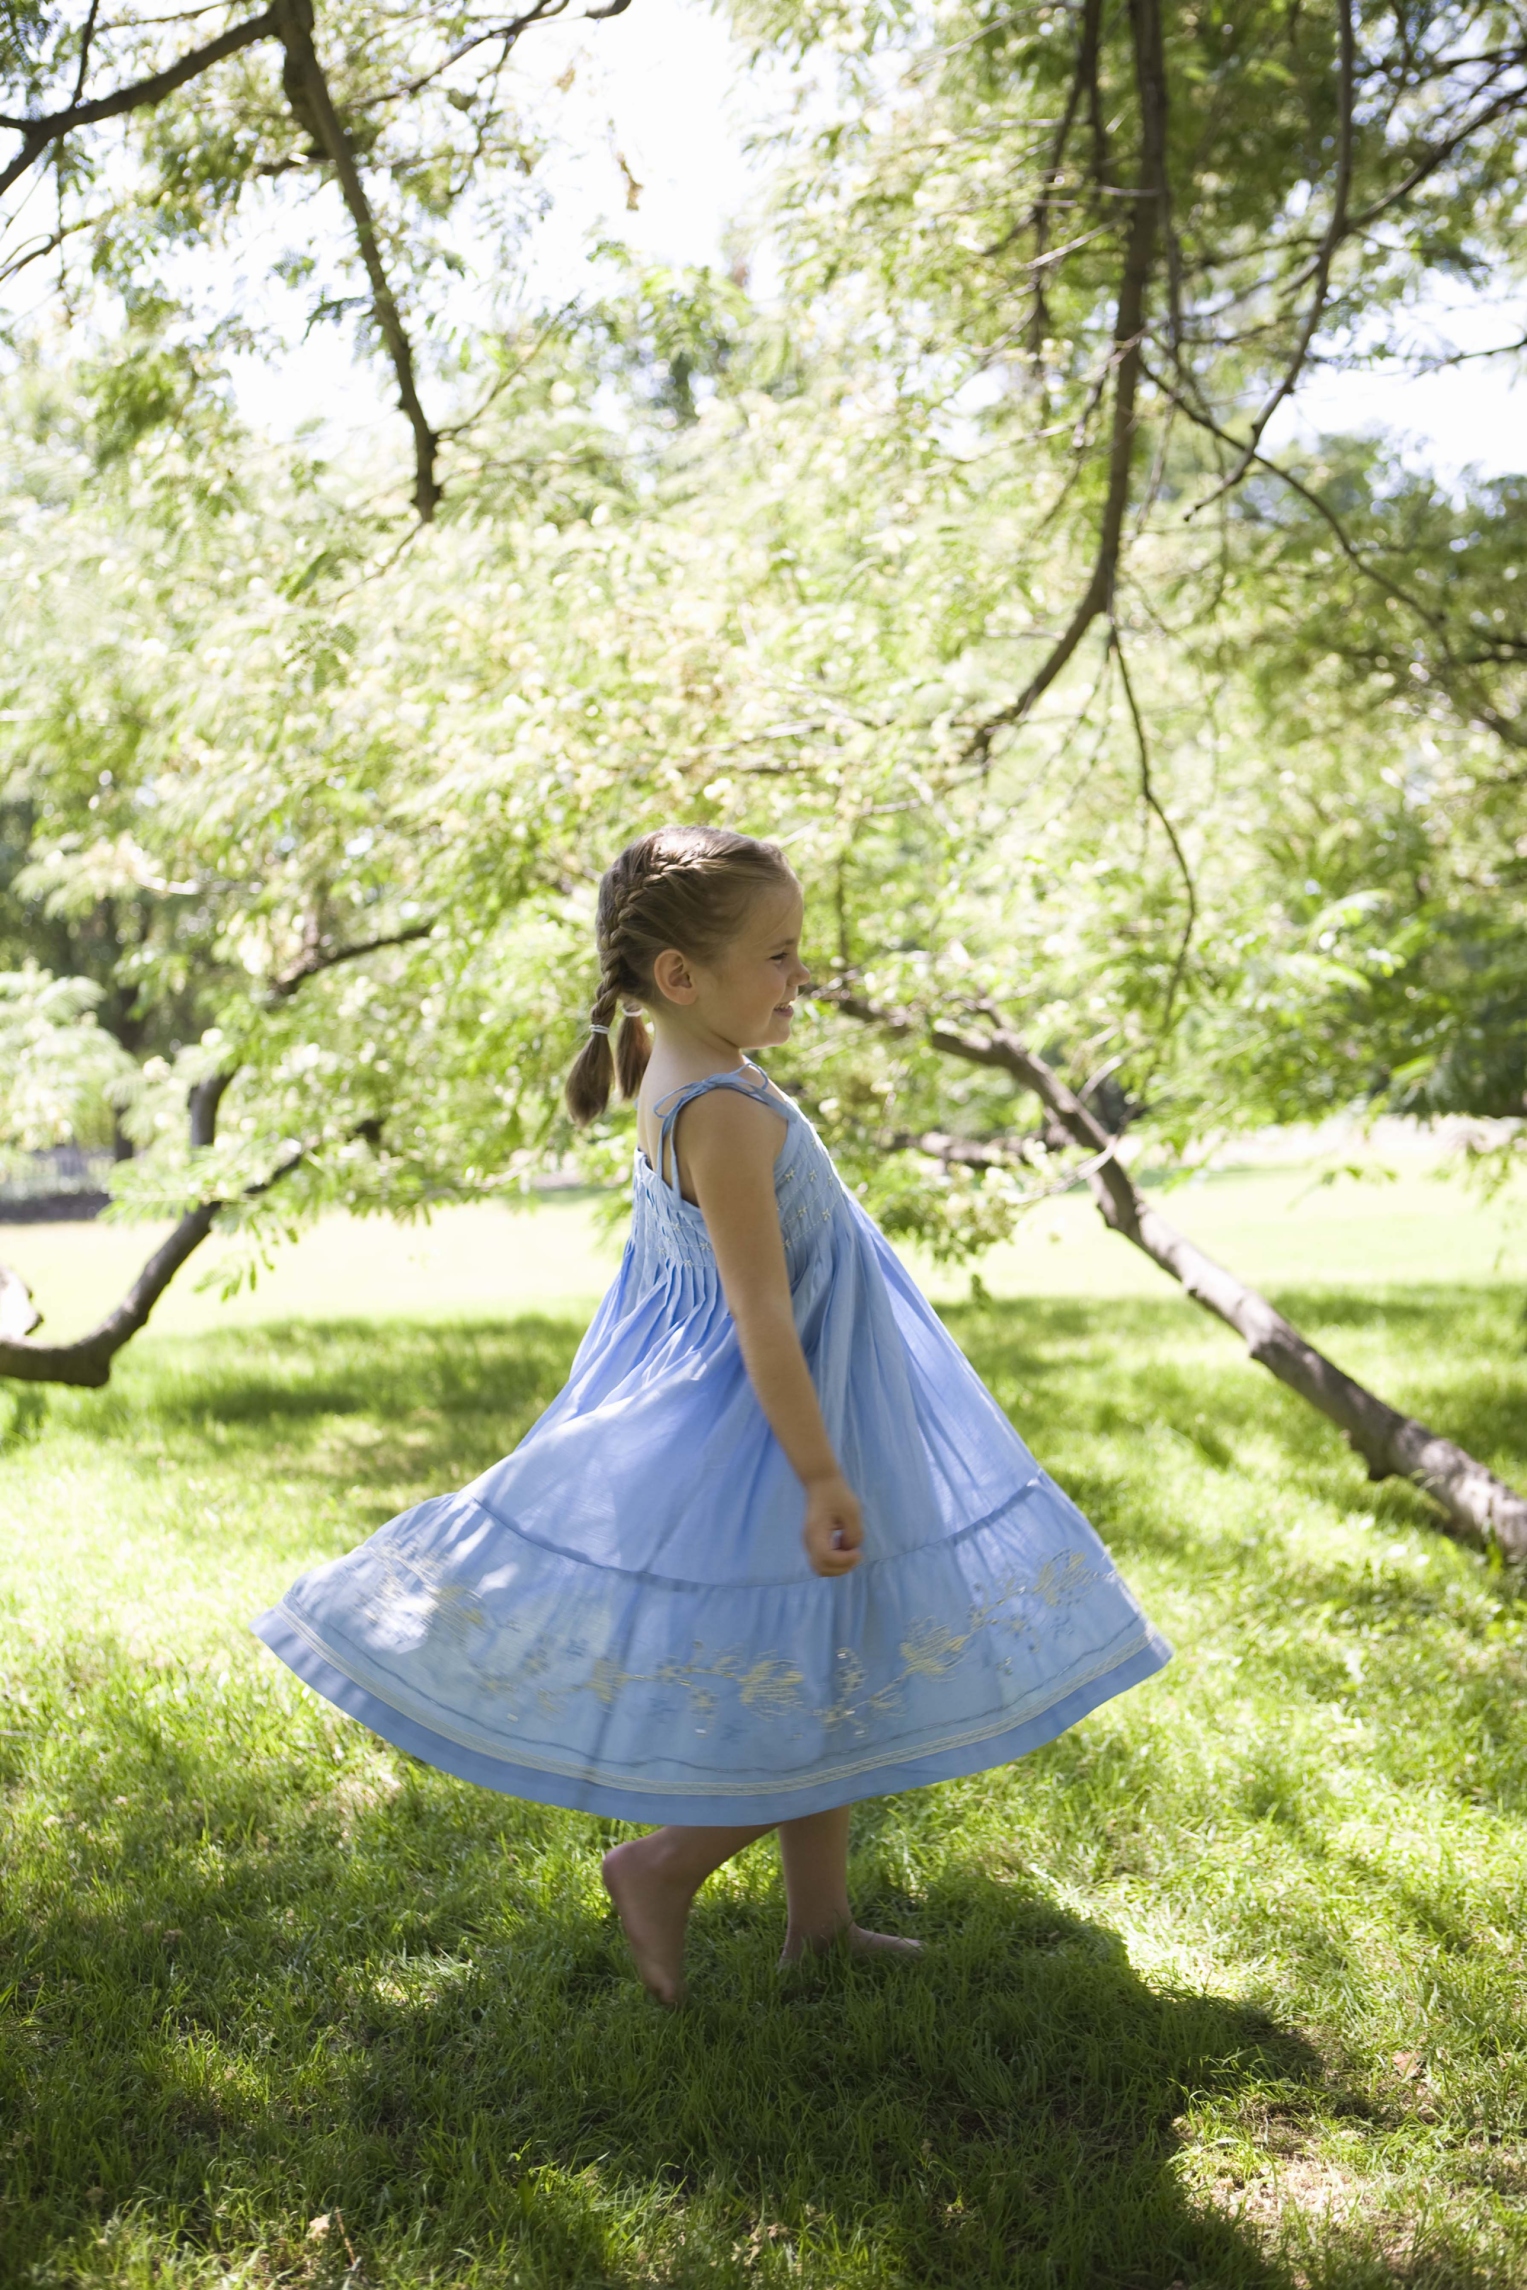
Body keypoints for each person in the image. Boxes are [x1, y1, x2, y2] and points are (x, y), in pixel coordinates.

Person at [253, 824, 1170, 2003]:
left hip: (794, 1405)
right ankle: (660, 1865)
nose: (802, 978)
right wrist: (822, 1472)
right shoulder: (723, 1106)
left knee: (821, 1654)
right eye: (780, 956)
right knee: (807, 1674)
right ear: (681, 976)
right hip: (776, 1425)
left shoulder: (681, 1066)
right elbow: (761, 1315)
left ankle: (823, 1925)